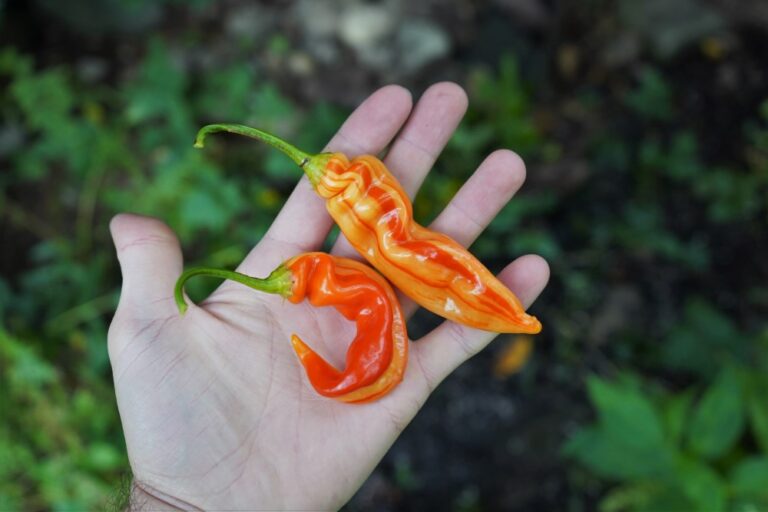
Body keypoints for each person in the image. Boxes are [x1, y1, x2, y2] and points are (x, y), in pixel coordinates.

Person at [108, 82, 550, 510]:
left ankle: (509, 314)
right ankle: (510, 314)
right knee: (405, 252)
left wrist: (181, 502)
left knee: (405, 249)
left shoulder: (344, 204)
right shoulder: (341, 227)